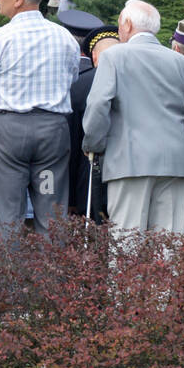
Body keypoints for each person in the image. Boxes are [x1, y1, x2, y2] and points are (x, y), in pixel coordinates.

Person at [0, 0, 80, 236]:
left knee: (9, 214)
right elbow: (71, 80)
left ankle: (12, 278)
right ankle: (50, 276)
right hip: (52, 133)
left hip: (11, 133)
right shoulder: (64, 37)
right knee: (50, 211)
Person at [83, 0, 184, 236]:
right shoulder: (182, 63)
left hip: (128, 159)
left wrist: (93, 145)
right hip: (176, 160)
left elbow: (98, 105)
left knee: (127, 244)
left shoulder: (113, 56)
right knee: (168, 247)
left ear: (128, 24)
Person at [67, 24, 119, 221]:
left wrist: (70, 196)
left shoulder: (79, 85)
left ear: (94, 57)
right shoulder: (136, 79)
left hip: (88, 175)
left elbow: (71, 143)